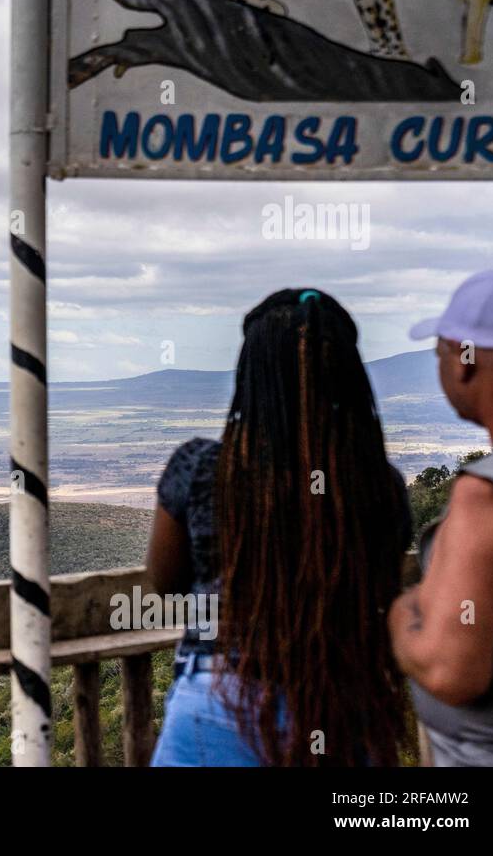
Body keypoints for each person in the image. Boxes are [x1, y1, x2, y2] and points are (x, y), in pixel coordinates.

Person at [148, 288, 412, 766]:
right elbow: (380, 588)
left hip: (216, 703)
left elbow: (165, 584)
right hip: (342, 707)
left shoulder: (201, 468)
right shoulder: (379, 487)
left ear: (252, 375)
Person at [390, 269, 493, 766]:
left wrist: (402, 614)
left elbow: (451, 671)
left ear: (466, 361)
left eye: (440, 352)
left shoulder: (488, 496)